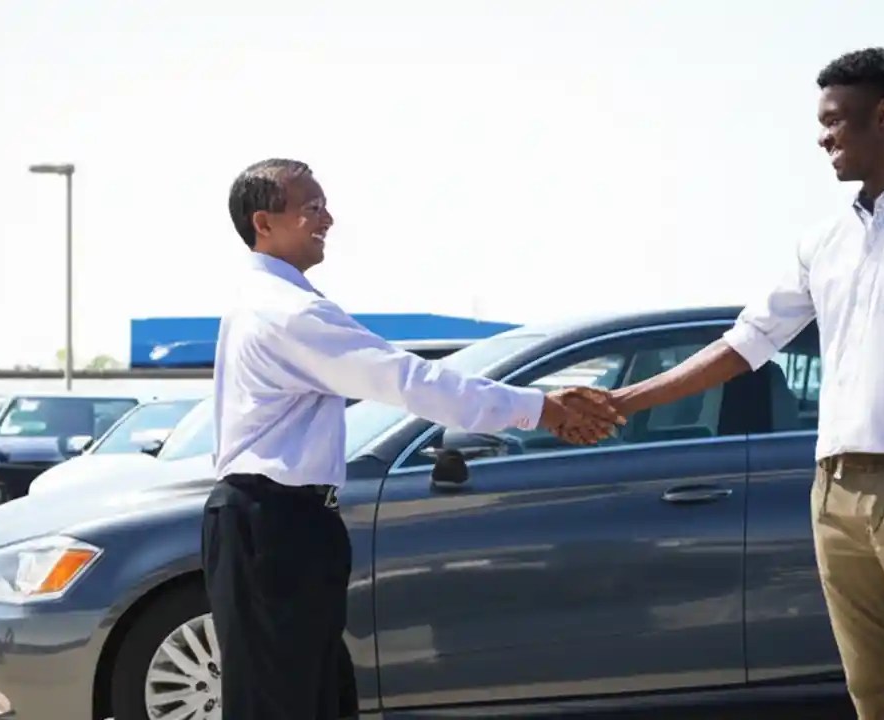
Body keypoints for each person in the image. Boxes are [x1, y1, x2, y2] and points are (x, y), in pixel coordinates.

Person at [599, 48, 884, 719]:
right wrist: (624, 401)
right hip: (834, 492)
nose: (823, 138)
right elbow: (746, 342)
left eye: (834, 122)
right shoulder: (822, 241)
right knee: (874, 692)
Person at [201, 157, 624, 719]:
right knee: (285, 704)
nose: (328, 217)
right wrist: (542, 408)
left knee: (311, 698)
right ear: (264, 222)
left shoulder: (266, 302)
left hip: (285, 525)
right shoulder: (288, 313)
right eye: (312, 207)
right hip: (274, 526)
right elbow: (409, 381)